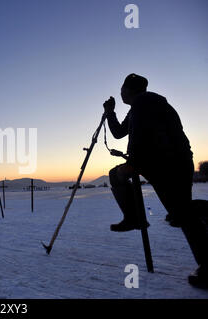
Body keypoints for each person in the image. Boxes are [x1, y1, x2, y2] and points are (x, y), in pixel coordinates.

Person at [104, 73, 208, 288]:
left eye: (122, 88)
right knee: (182, 212)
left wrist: (133, 161)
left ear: (128, 89)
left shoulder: (144, 103)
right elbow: (119, 133)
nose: (120, 92)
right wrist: (110, 113)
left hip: (168, 164)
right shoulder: (139, 106)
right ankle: (134, 218)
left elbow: (144, 136)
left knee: (183, 214)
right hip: (163, 162)